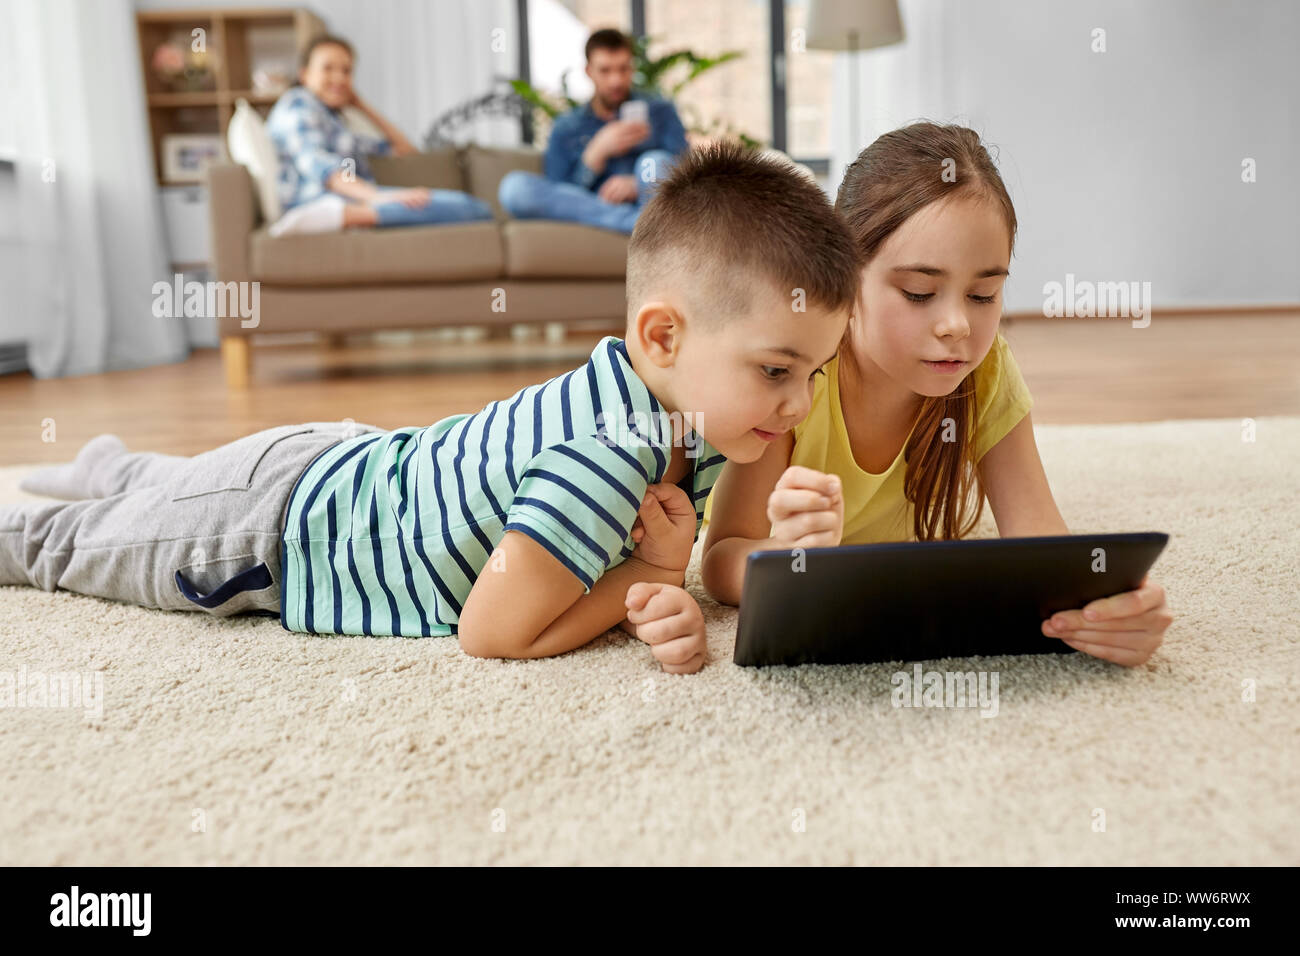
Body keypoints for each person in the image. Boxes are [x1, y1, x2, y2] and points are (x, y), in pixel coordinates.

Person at [3, 144, 859, 675]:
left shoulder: (709, 425)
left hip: (335, 462)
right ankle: (73, 501)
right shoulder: (607, 456)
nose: (800, 403)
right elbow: (491, 634)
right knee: (67, 548)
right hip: (272, 529)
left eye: (815, 372)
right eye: (778, 370)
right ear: (662, 337)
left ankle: (109, 466)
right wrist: (648, 575)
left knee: (175, 485)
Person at [700, 122, 1174, 667]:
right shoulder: (800, 376)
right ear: (846, 277)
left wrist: (1111, 610)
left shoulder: (987, 371)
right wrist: (784, 557)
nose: (957, 325)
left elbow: (1041, 542)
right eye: (919, 293)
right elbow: (719, 559)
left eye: (983, 294)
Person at [265, 34, 493, 236]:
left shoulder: (336, 122)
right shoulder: (297, 105)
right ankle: (337, 216)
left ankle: (347, 215)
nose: (339, 78)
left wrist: (361, 105)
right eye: (328, 68)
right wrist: (377, 197)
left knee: (473, 208)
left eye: (346, 71)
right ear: (304, 74)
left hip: (354, 200)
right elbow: (318, 164)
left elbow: (406, 151)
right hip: (317, 200)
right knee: (473, 208)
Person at [498, 28, 689, 234]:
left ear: (632, 68)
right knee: (515, 189)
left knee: (653, 161)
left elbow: (686, 169)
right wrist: (596, 153)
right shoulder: (566, 126)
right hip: (594, 206)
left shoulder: (660, 111)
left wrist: (638, 183)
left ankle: (645, 221)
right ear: (589, 71)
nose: (616, 80)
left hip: (647, 199)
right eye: (605, 70)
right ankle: (642, 226)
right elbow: (561, 194)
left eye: (623, 69)